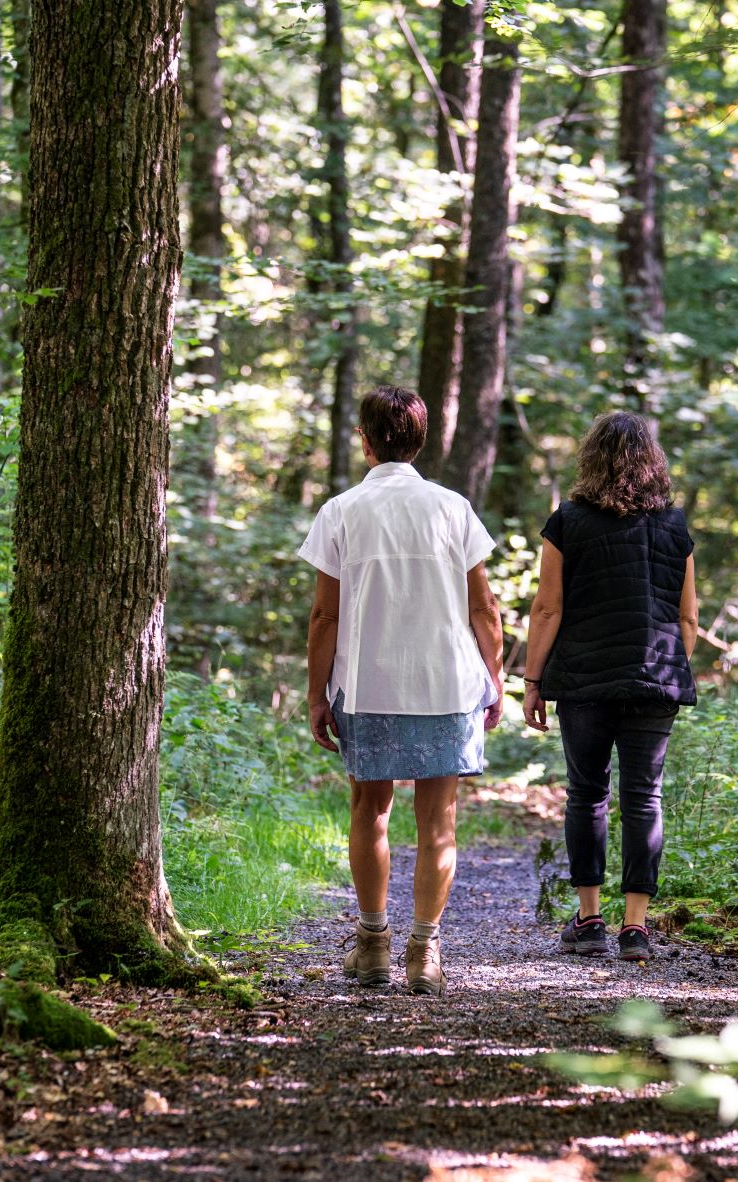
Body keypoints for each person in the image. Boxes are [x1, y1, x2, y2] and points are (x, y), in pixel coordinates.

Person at [299, 386, 505, 995]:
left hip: (368, 684)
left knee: (370, 810)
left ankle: (372, 945)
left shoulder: (342, 510)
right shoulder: (451, 508)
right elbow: (484, 605)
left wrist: (316, 694)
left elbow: (324, 617)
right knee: (438, 819)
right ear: (419, 440)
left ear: (364, 439)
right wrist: (493, 676)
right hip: (445, 682)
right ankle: (424, 951)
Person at [521, 411, 698, 962]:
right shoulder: (674, 525)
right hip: (655, 679)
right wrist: (668, 668)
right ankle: (636, 929)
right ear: (652, 460)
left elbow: (549, 607)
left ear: (590, 456)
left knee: (587, 794)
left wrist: (532, 681)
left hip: (584, 680)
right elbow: (688, 618)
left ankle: (591, 919)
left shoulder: (568, 521)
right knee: (645, 797)